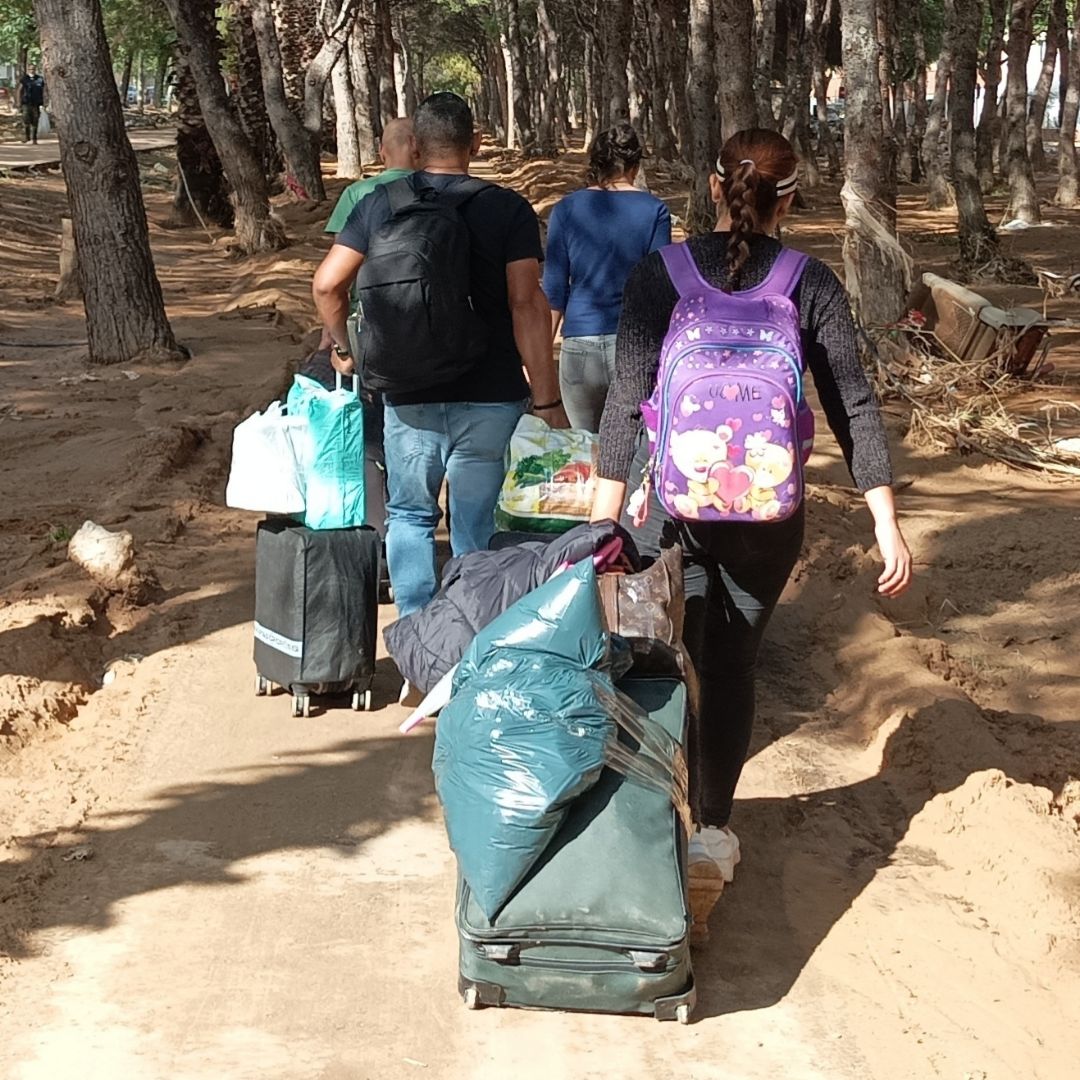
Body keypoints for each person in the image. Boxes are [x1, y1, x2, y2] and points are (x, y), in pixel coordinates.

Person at [590, 128, 913, 925]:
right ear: (791, 199)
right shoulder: (812, 282)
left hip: (675, 507)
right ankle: (714, 835)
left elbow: (625, 401)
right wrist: (886, 524)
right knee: (732, 667)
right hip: (769, 517)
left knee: (667, 657)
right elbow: (854, 408)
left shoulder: (658, 273)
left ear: (711, 187)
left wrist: (598, 528)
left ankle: (654, 821)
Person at [312, 92, 566, 640]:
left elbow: (328, 283)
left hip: (409, 393)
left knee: (409, 515)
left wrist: (344, 345)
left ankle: (415, 640)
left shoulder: (379, 204)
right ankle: (470, 643)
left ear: (416, 147)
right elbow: (527, 303)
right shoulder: (508, 209)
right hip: (492, 393)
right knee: (475, 525)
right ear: (475, 144)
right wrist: (546, 398)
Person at [543, 123, 671, 432]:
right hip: (631, 346)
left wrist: (540, 357)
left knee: (584, 452)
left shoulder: (565, 210)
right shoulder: (655, 211)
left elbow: (554, 290)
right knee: (630, 455)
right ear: (635, 166)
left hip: (578, 347)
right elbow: (660, 287)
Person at [324, 117, 419, 239]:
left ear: (381, 150)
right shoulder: (438, 189)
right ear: (417, 147)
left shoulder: (355, 192)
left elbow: (342, 244)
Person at [18, 64, 46, 145]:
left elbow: (44, 91)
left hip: (36, 103)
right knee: (26, 120)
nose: (32, 70)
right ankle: (27, 136)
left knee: (35, 121)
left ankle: (34, 138)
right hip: (26, 103)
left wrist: (45, 101)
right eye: (30, 69)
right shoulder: (24, 79)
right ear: (28, 70)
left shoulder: (40, 79)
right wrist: (18, 101)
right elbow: (19, 90)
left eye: (33, 69)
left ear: (35, 69)